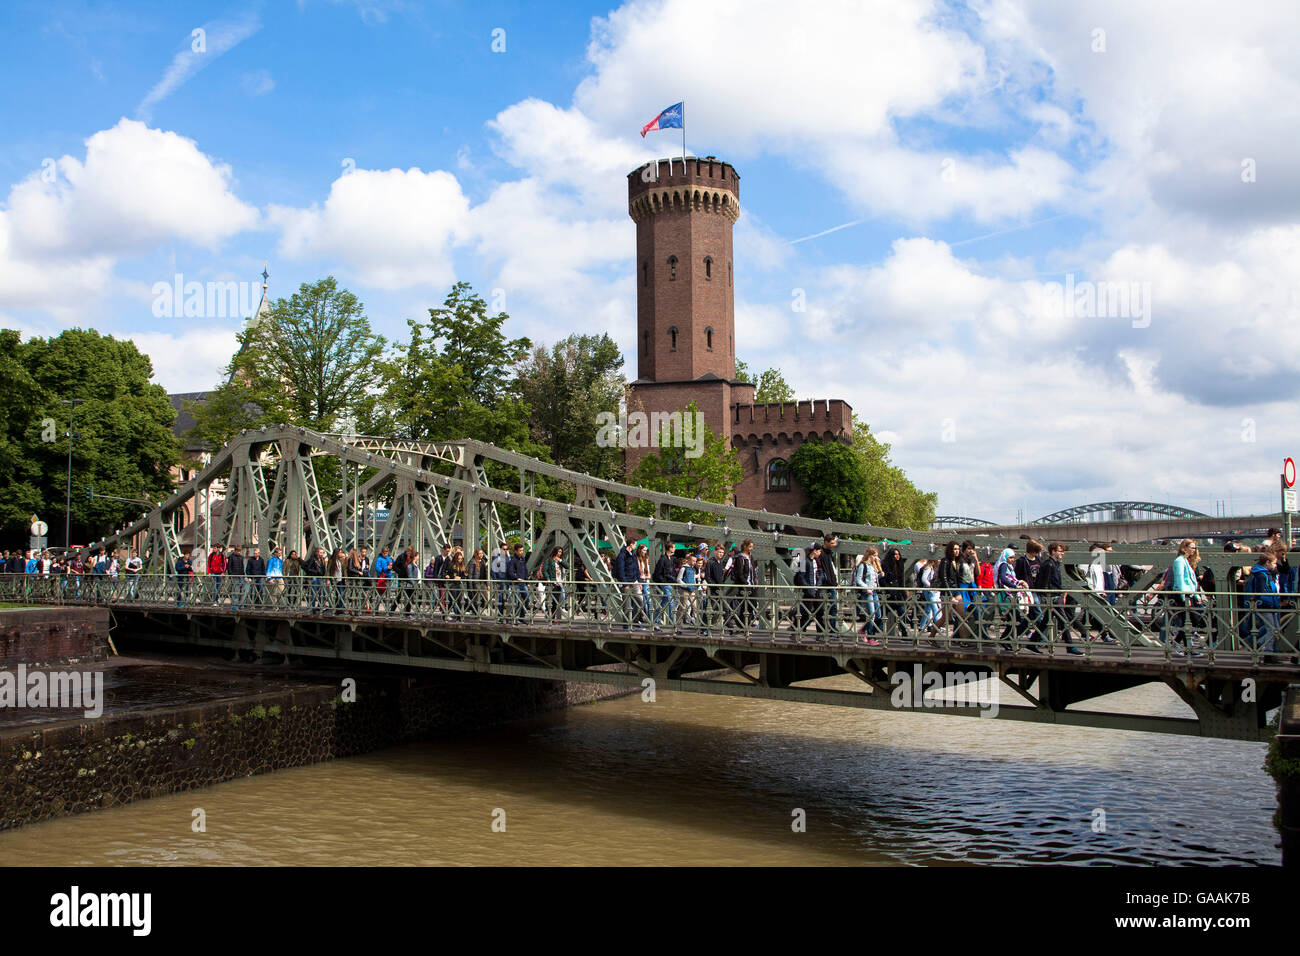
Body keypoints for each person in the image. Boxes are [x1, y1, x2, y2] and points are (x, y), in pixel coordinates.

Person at [1039, 542, 1083, 654]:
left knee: (1045, 621)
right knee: (1064, 621)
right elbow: (1045, 583)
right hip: (1053, 597)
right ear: (1053, 551)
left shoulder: (1055, 564)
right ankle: (1070, 647)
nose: (1062, 553)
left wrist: (1062, 594)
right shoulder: (1049, 564)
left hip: (1056, 596)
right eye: (1060, 551)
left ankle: (1034, 639)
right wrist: (1048, 596)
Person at [1165, 538, 1207, 659]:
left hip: (1189, 595)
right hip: (1182, 595)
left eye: (1195, 548)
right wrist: (1185, 598)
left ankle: (1178, 645)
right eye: (1192, 547)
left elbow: (1190, 581)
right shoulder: (1179, 561)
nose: (1194, 550)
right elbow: (1179, 580)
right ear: (1185, 547)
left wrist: (1197, 595)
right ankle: (1186, 648)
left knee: (1191, 621)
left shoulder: (1185, 560)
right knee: (1191, 620)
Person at [1239, 551, 1281, 657]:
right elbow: (1260, 592)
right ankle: (1268, 651)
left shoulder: (1262, 573)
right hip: (1266, 605)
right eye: (1274, 563)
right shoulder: (1262, 575)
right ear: (1267, 563)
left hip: (1269, 605)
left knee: (1273, 628)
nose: (1275, 566)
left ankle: (1254, 643)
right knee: (1272, 629)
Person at [853, 548, 883, 644]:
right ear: (870, 555)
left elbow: (873, 579)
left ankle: (863, 630)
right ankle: (870, 637)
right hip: (867, 592)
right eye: (875, 556)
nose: (876, 558)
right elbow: (858, 580)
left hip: (874, 592)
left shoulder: (873, 566)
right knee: (872, 615)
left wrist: (880, 576)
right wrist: (866, 588)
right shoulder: (863, 565)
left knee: (878, 615)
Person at [651, 542, 676, 629]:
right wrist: (664, 582)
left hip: (669, 583)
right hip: (665, 583)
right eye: (673, 547)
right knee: (671, 601)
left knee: (664, 602)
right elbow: (658, 573)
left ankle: (655, 622)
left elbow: (672, 572)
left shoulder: (671, 559)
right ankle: (674, 624)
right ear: (669, 548)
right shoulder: (663, 559)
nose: (674, 549)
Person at [506, 543, 529, 622]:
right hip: (516, 584)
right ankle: (514, 618)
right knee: (515, 601)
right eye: (520, 551)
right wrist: (516, 578)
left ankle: (521, 616)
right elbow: (510, 572)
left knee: (527, 600)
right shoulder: (512, 560)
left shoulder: (522, 559)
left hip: (523, 583)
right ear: (516, 551)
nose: (521, 552)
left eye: (522, 550)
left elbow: (525, 570)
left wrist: (526, 579)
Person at [491, 542, 510, 619]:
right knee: (501, 599)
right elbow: (492, 571)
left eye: (506, 549)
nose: (505, 551)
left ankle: (505, 615)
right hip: (501, 581)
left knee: (507, 599)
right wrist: (496, 581)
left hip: (507, 581)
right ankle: (500, 615)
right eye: (503, 549)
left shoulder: (508, 558)